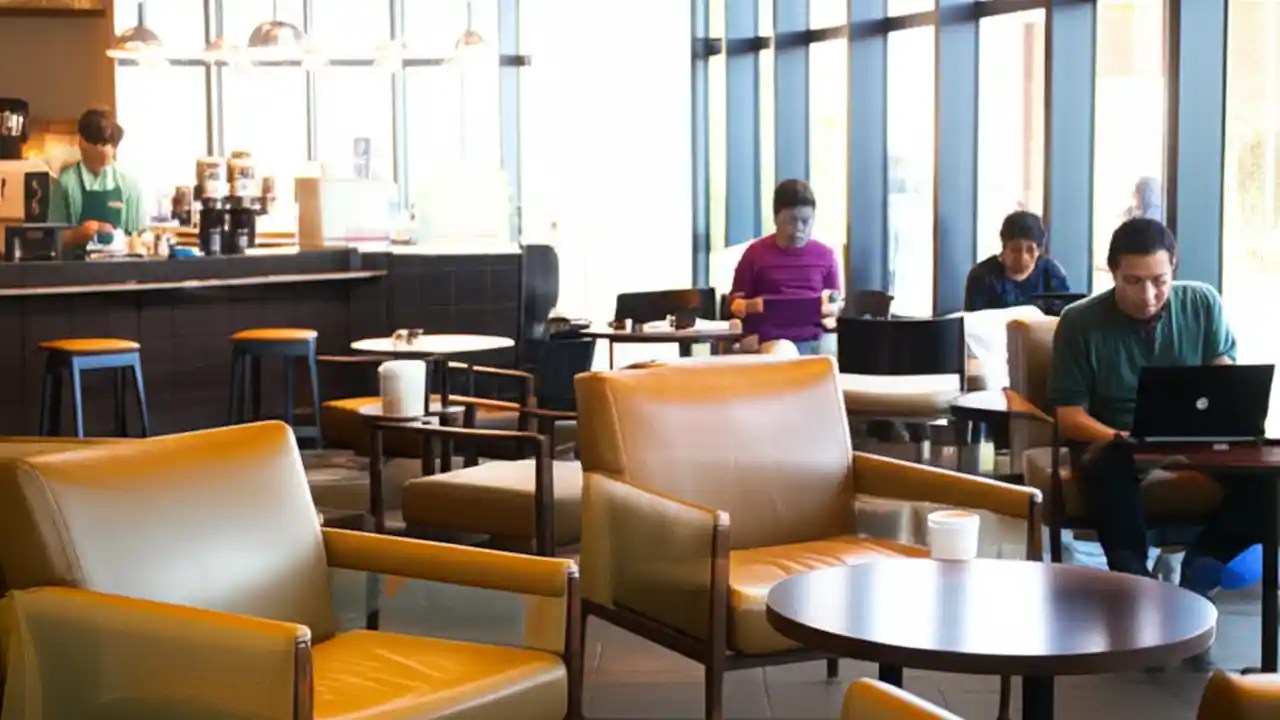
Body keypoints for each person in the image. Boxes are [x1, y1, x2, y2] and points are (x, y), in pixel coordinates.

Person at [1049, 218, 1262, 595]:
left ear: (1174, 267)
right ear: (1112, 272)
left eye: (1159, 281)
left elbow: (1223, 377)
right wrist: (1123, 437)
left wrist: (1230, 411)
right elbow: (1069, 416)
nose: (1148, 294)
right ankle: (1137, 584)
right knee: (1109, 463)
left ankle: (1203, 564)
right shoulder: (1078, 322)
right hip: (1116, 440)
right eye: (1133, 281)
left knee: (1267, 475)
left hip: (1194, 439)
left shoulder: (1201, 301)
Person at [729, 179, 842, 355]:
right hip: (770, 339)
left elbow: (834, 304)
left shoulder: (825, 255)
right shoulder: (755, 254)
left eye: (805, 221)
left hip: (814, 338)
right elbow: (734, 304)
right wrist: (757, 307)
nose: (798, 229)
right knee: (783, 350)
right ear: (775, 218)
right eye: (791, 221)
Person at [48, 108, 147, 245]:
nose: (108, 149)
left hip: (120, 264)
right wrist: (78, 235)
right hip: (78, 265)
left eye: (112, 144)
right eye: (102, 143)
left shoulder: (128, 184)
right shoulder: (67, 183)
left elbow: (140, 235)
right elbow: (52, 239)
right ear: (82, 142)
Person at [963, 211, 1069, 311]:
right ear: (1004, 248)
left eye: (1030, 250)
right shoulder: (982, 275)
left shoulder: (1052, 273)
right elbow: (973, 321)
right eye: (1015, 250)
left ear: (1039, 250)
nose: (1023, 256)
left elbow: (1063, 316)